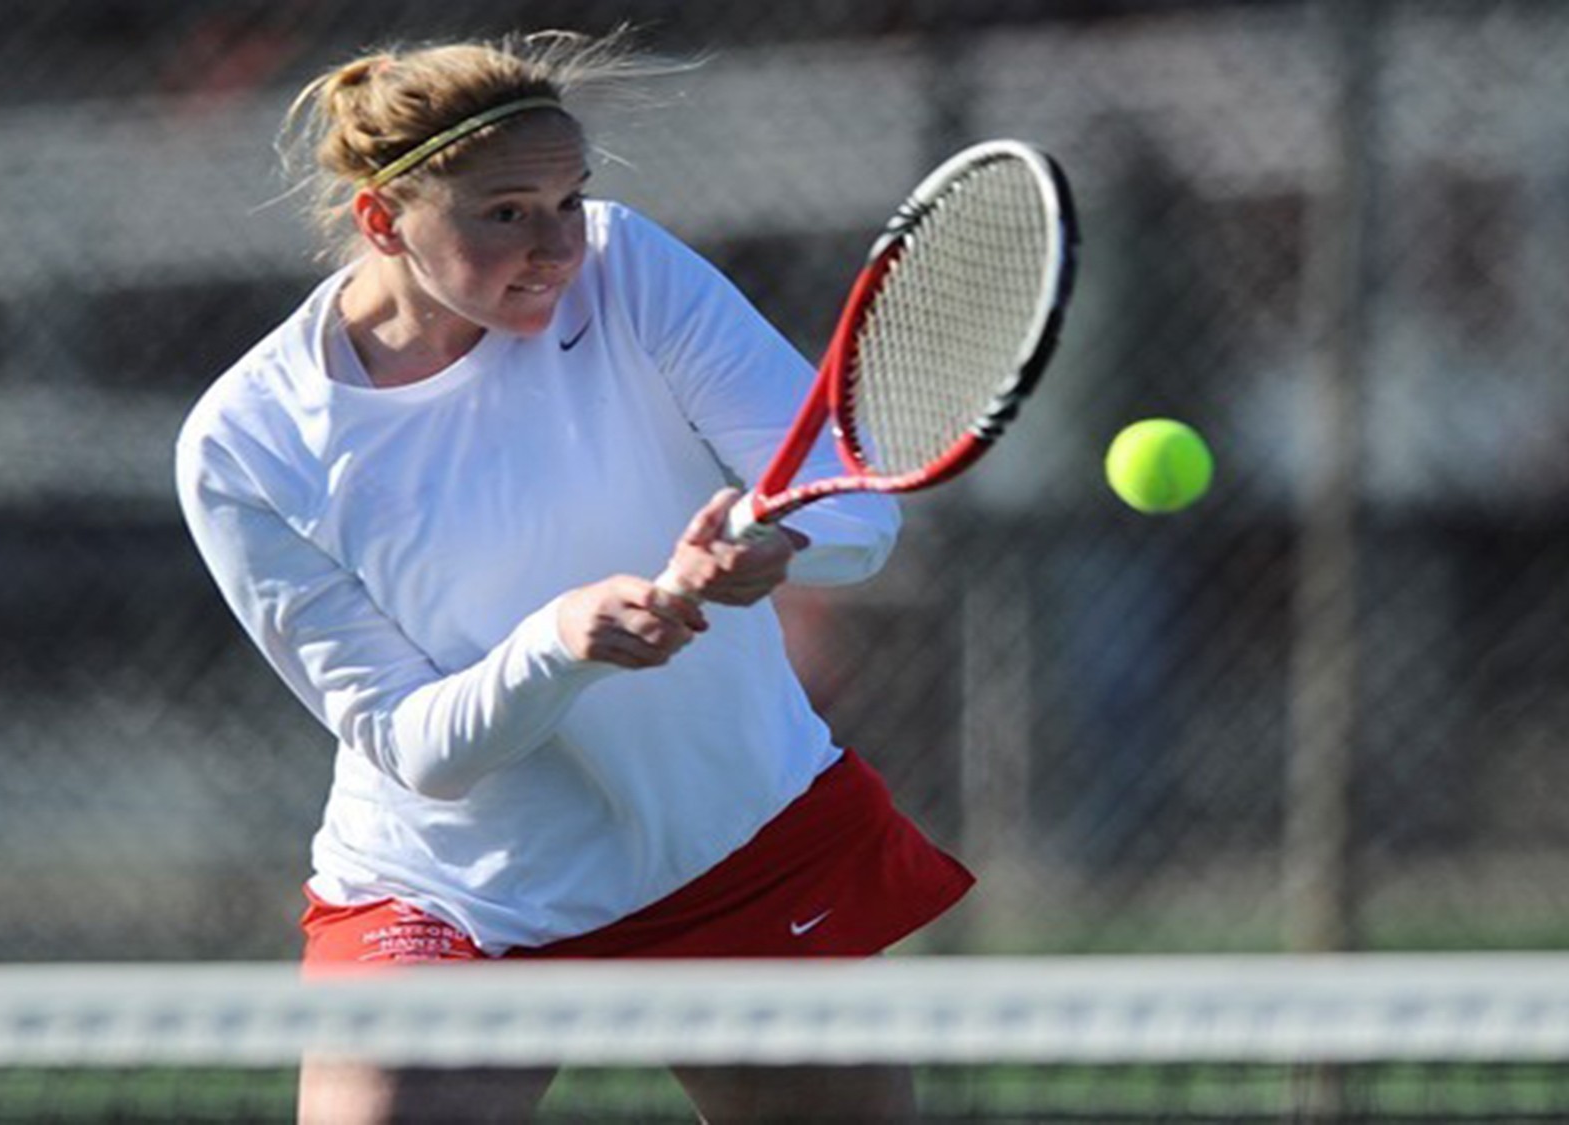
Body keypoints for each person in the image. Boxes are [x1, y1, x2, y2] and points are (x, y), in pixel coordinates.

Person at [175, 29, 973, 1124]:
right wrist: (559, 644)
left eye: (568, 198)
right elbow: (417, 747)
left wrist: (769, 549)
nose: (556, 243)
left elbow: (844, 502)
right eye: (505, 212)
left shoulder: (626, 266)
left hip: (729, 837)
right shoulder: (248, 442)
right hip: (453, 890)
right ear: (382, 222)